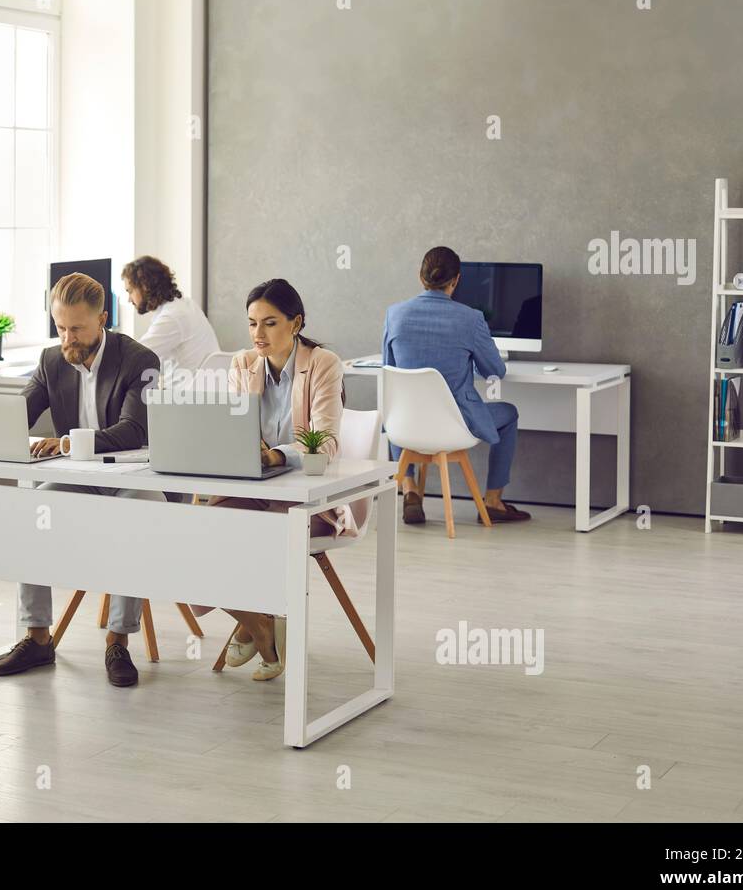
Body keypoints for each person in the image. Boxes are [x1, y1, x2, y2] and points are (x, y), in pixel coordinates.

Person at [0, 273, 162, 688]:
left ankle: (117, 641)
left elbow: (134, 430)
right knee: (34, 513)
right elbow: (18, 416)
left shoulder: (141, 360)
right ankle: (37, 637)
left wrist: (66, 443)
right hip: (78, 479)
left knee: (136, 513)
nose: (68, 336)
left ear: (103, 318)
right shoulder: (51, 361)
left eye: (78, 328)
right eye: (61, 327)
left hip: (133, 474)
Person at [191, 278, 361, 682]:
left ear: (295, 322)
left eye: (269, 323)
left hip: (308, 498)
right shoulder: (242, 364)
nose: (257, 335)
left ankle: (258, 624)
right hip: (255, 489)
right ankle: (262, 625)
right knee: (193, 539)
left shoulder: (323, 363)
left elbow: (328, 443)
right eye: (252, 324)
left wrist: (277, 454)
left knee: (248, 539)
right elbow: (235, 433)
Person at [382, 246, 529, 525]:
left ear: (420, 276)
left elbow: (389, 371)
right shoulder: (471, 318)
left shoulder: (394, 314)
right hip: (455, 426)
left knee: (396, 410)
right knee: (509, 412)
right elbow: (495, 372)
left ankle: (410, 491)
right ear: (456, 280)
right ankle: (493, 501)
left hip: (405, 425)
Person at [121, 255, 221, 373]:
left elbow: (133, 357)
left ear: (145, 285)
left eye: (130, 291)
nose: (129, 299)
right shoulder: (186, 305)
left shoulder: (172, 316)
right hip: (205, 385)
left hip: (187, 389)